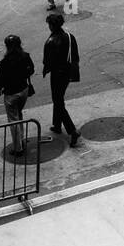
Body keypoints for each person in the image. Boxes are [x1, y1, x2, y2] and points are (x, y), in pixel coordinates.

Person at [0, 35, 35, 157]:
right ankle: (21, 138)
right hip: (24, 90)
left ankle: (18, 148)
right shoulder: (25, 56)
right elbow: (31, 70)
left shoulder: (4, 63)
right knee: (18, 114)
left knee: (13, 120)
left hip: (11, 95)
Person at [42, 11, 81, 146]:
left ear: (52, 26)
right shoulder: (70, 36)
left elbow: (47, 61)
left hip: (57, 74)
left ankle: (72, 130)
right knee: (58, 98)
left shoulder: (51, 41)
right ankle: (57, 125)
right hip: (67, 73)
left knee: (58, 101)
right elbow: (75, 55)